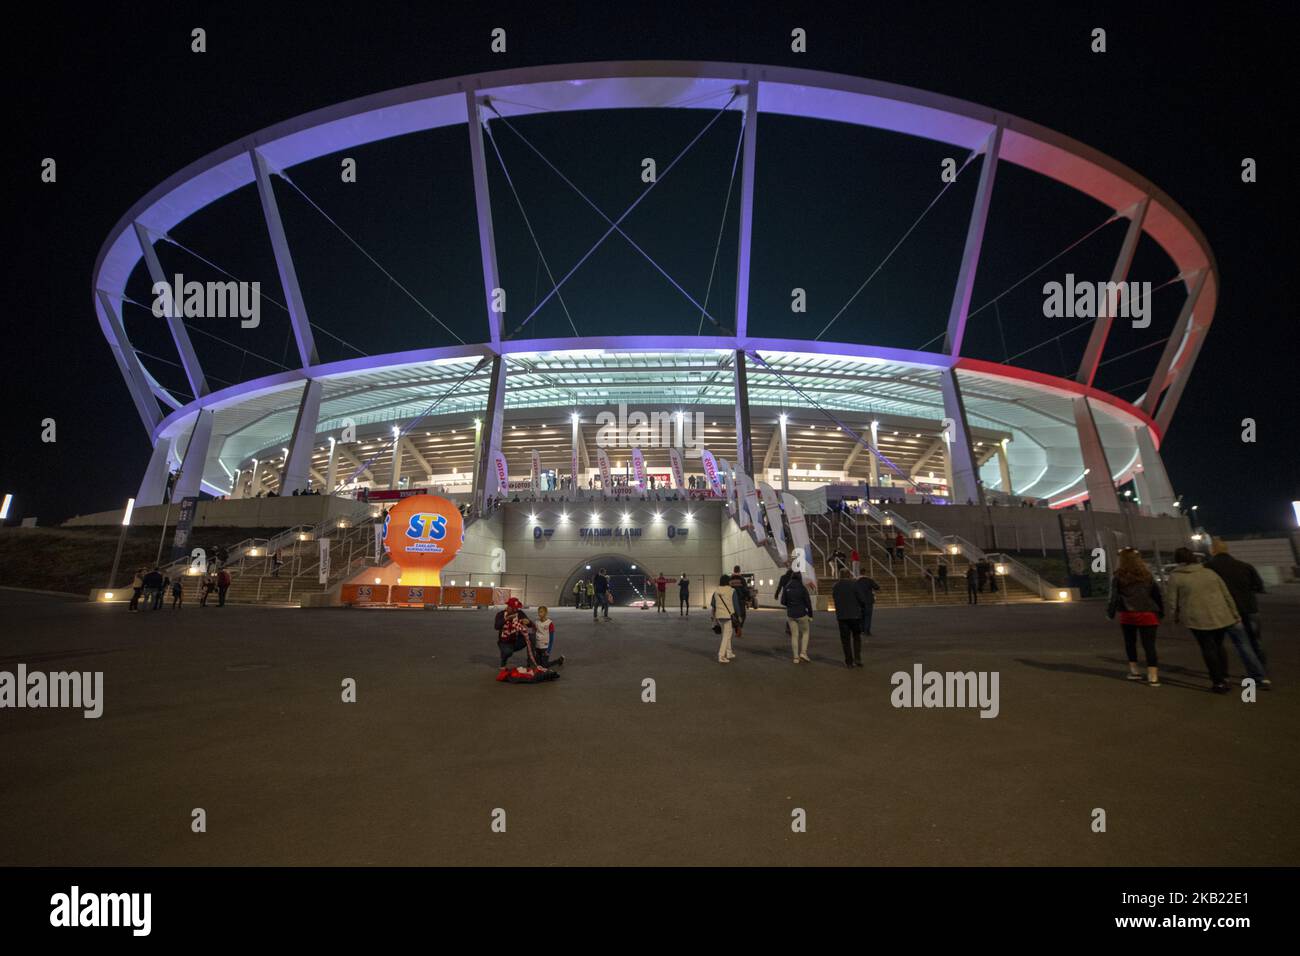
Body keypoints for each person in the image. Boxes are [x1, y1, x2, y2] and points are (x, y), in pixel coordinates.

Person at [1166, 547, 1240, 694]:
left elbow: (1172, 600)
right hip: (1220, 615)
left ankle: (1217, 681)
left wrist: (1173, 618)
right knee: (1219, 646)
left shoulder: (1176, 577)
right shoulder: (1209, 573)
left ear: (1177, 560)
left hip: (1196, 617)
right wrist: (1235, 613)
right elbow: (1226, 594)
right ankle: (1225, 677)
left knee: (1207, 648)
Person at [1206, 539, 1270, 688]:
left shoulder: (1209, 568)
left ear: (1212, 551)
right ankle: (1262, 672)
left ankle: (1257, 676)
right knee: (1256, 641)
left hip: (1229, 610)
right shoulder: (1245, 566)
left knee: (1242, 643)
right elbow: (1259, 586)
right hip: (1251, 608)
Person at [1105, 548, 1163, 685]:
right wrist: (1161, 611)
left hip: (1128, 614)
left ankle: (1135, 671)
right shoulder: (1147, 575)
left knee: (1130, 643)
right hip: (1148, 613)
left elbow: (1113, 597)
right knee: (1149, 645)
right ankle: (1153, 677)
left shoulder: (1118, 576)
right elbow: (1156, 595)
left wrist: (1110, 613)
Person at [832, 571, 865, 668]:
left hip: (842, 616)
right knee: (856, 637)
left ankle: (849, 662)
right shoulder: (855, 584)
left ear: (840, 576)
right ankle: (858, 659)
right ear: (849, 576)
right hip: (855, 615)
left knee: (845, 640)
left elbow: (835, 599)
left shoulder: (836, 586)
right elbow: (862, 599)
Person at [782, 570, 814, 664]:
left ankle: (795, 657)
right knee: (805, 632)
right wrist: (811, 615)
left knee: (794, 635)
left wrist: (790, 604)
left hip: (791, 614)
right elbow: (808, 602)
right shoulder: (802, 588)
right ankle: (803, 653)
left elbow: (783, 601)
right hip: (802, 613)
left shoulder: (787, 587)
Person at [710, 574, 738, 664]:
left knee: (728, 633)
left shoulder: (716, 591)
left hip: (719, 615)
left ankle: (729, 653)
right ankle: (721, 656)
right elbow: (736, 604)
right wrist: (739, 615)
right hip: (728, 615)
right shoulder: (732, 590)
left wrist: (713, 616)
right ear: (727, 581)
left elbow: (713, 604)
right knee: (726, 635)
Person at [854, 571, 881, 639]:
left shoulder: (856, 581)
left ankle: (861, 630)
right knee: (868, 616)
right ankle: (867, 631)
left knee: (861, 616)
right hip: (868, 601)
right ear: (865, 573)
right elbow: (877, 587)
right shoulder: (869, 580)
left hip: (859, 601)